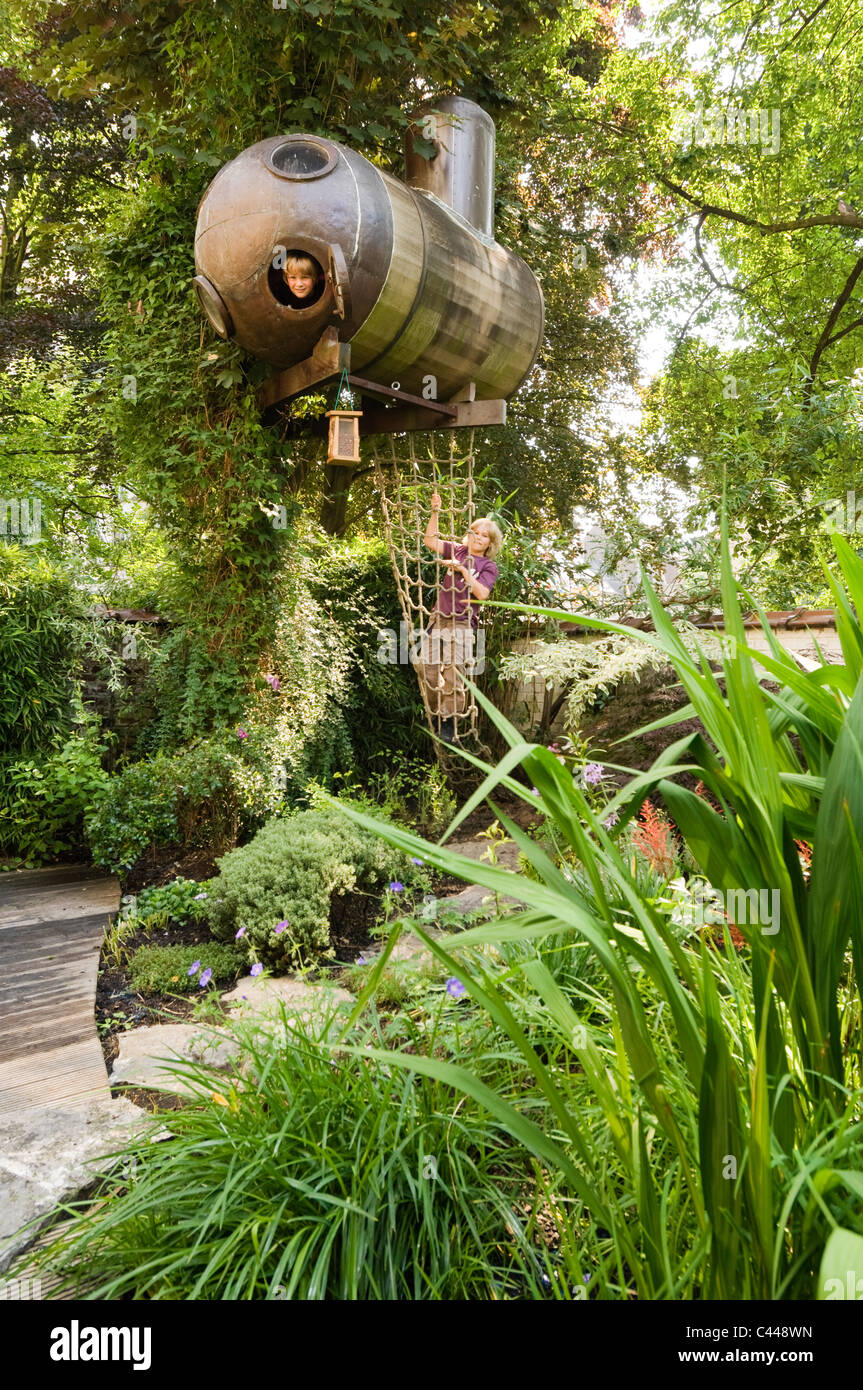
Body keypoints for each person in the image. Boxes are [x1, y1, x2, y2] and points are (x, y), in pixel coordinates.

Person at [412, 491, 502, 743]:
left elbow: (482, 594)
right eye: (475, 532)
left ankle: (449, 720)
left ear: (489, 543)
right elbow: (430, 541)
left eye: (485, 536)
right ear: (469, 534)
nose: (479, 538)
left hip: (461, 623)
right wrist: (435, 512)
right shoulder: (459, 550)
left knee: (454, 673)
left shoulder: (487, 566)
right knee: (426, 669)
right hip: (438, 619)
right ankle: (438, 710)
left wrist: (463, 570)